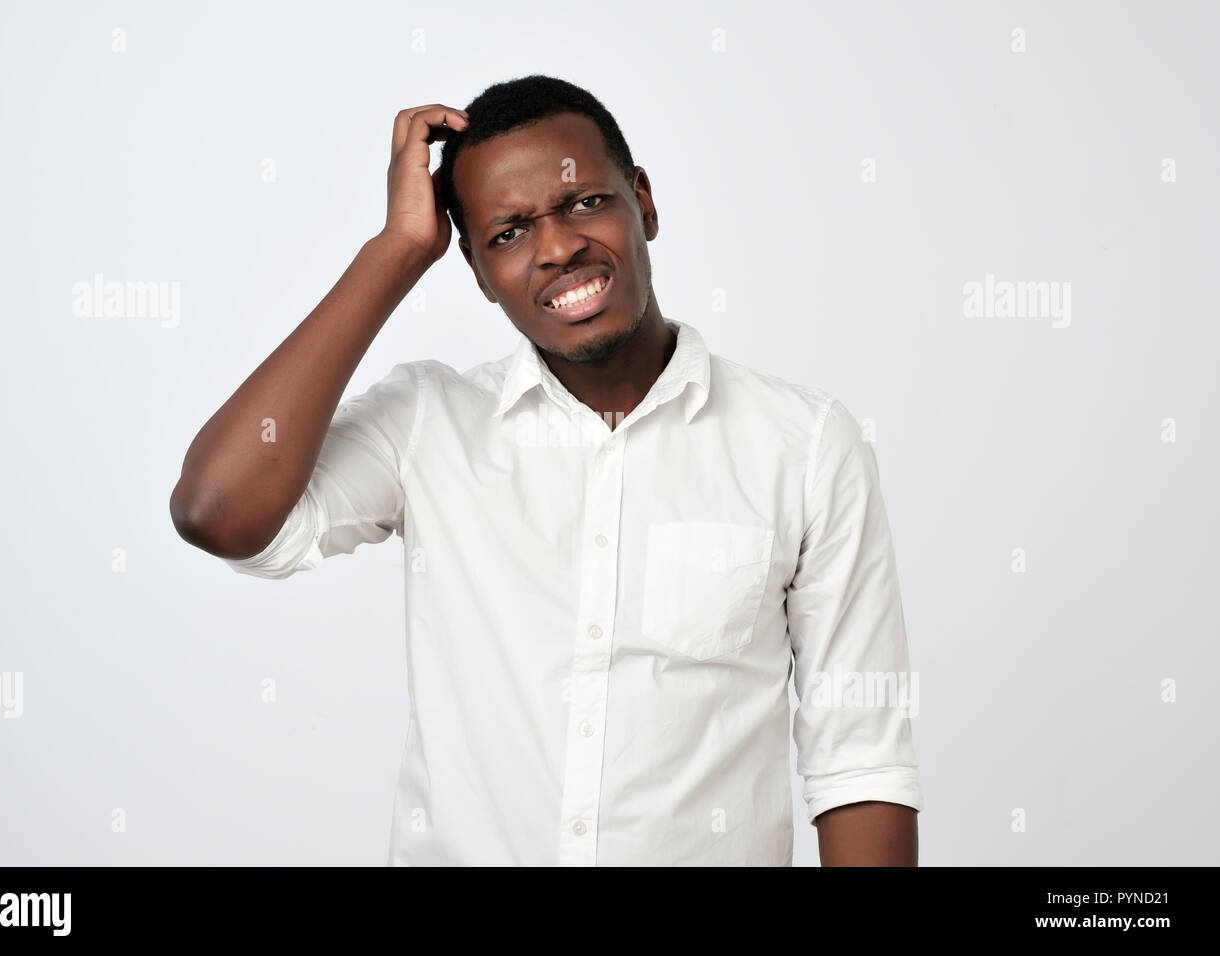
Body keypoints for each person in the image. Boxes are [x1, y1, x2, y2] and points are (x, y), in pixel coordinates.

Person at [170, 74, 924, 866]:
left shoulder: (802, 444)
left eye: (583, 203)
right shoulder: (430, 423)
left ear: (645, 203)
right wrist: (393, 252)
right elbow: (219, 508)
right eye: (508, 234)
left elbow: (860, 765)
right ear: (476, 273)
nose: (558, 248)